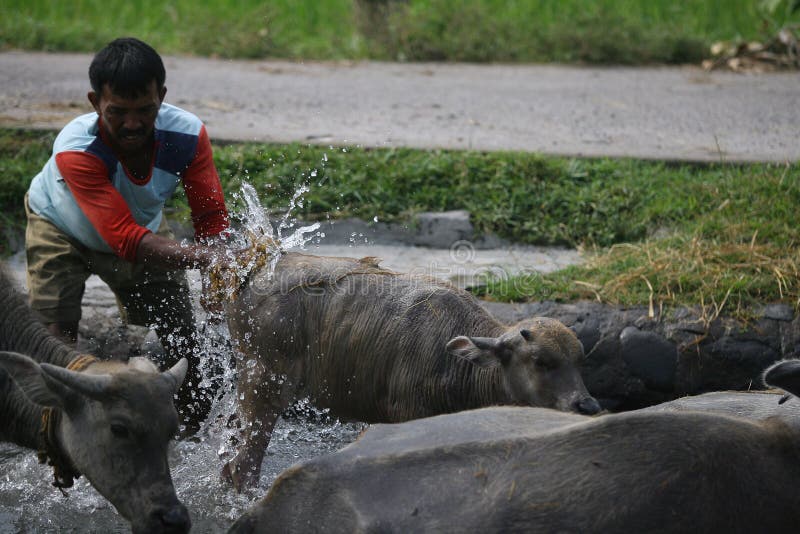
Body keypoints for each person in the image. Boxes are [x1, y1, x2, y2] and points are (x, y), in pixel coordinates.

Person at [25, 37, 231, 435]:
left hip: (142, 228)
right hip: (59, 225)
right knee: (56, 337)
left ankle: (183, 430)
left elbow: (210, 217)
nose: (133, 124)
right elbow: (125, 240)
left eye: (146, 110)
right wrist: (207, 259)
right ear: (94, 102)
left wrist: (218, 278)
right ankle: (63, 433)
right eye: (118, 112)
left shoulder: (188, 135)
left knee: (181, 331)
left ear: (162, 97)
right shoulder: (77, 149)